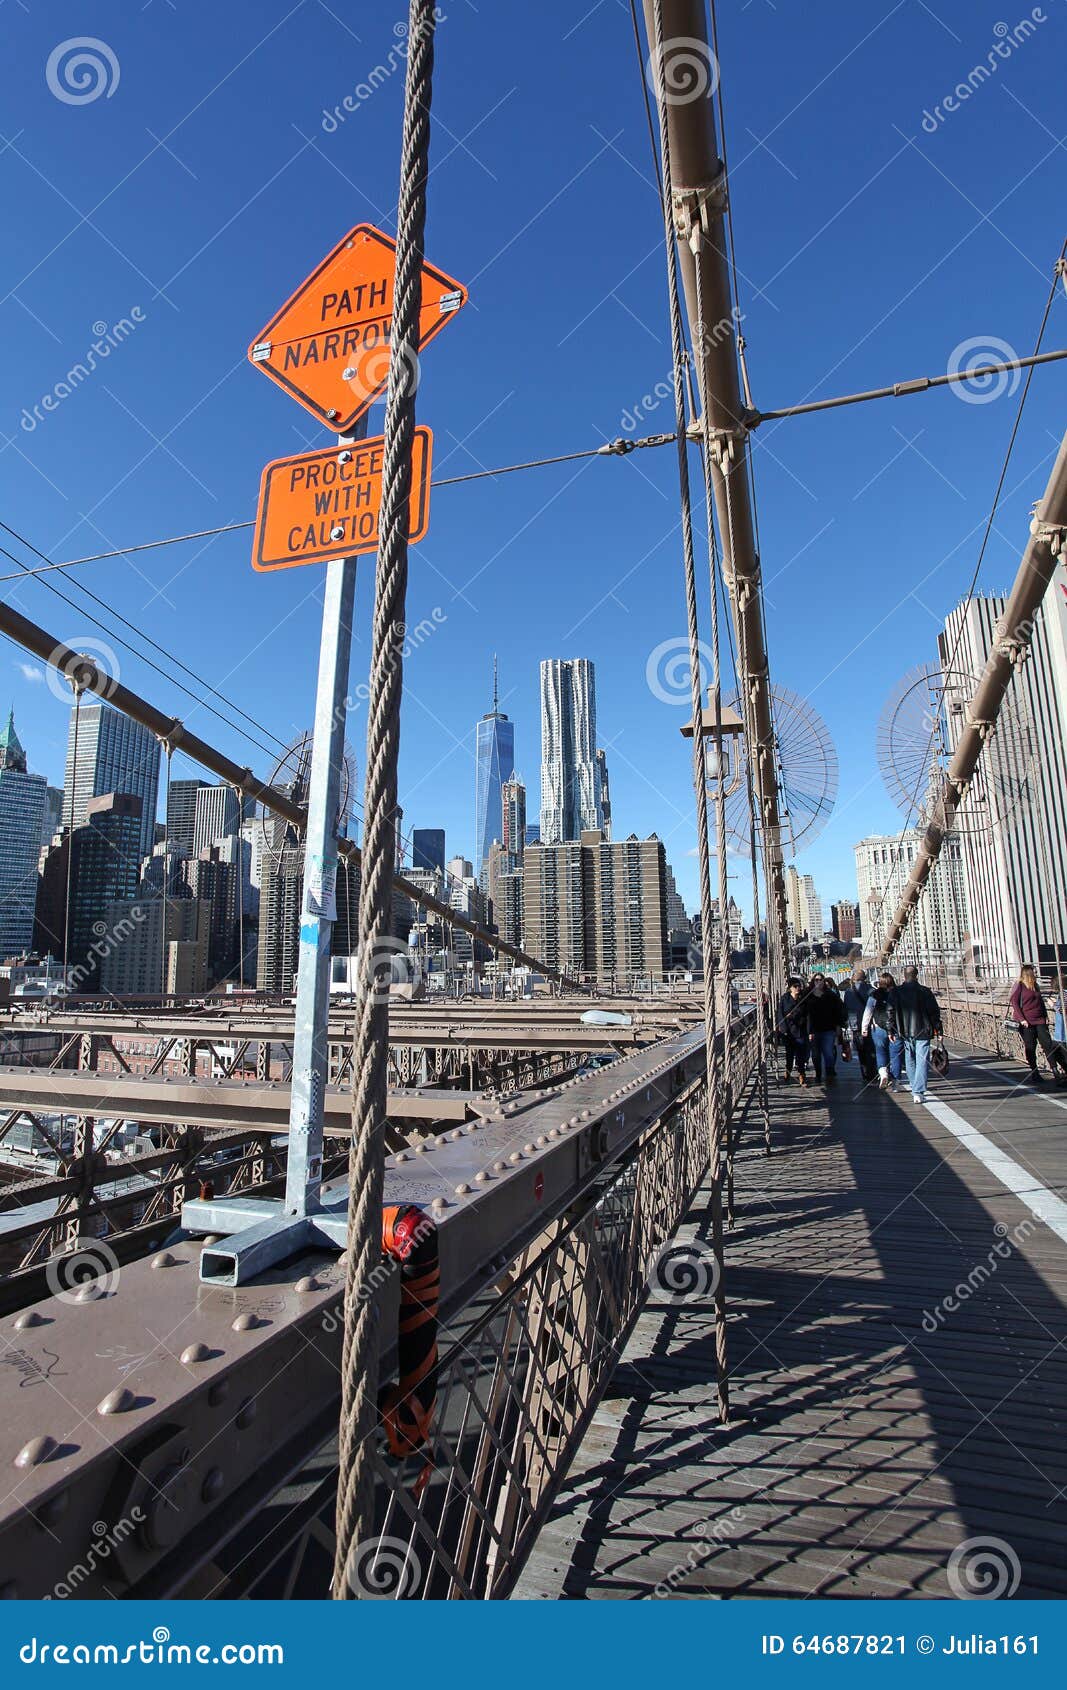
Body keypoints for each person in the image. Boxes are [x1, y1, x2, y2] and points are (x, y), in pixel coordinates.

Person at [887, 966, 942, 1104]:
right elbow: (934, 1012)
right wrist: (938, 1029)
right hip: (923, 1030)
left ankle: (914, 1088)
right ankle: (918, 1091)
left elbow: (890, 1011)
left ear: (903, 976)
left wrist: (890, 1030)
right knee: (921, 1060)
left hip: (904, 1031)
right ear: (917, 975)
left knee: (910, 1059)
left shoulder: (895, 992)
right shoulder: (925, 991)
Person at [1008, 964, 1067, 1085]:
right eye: (1034, 971)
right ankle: (1034, 1072)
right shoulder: (1019, 986)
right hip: (1027, 1023)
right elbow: (1014, 1002)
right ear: (1028, 973)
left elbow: (1040, 1002)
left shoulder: (1035, 986)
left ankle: (1055, 1071)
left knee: (1048, 1045)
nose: (1036, 973)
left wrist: (1045, 1016)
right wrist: (1021, 1019)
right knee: (1031, 1047)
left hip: (1039, 1020)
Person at [862, 970, 904, 1090]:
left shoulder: (874, 995)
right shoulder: (898, 994)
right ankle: (896, 1082)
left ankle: (883, 1072)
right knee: (895, 1055)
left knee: (880, 1051)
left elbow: (868, 1011)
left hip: (878, 1027)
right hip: (896, 1028)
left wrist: (864, 1028)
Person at [803, 973, 847, 1084]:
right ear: (813, 981)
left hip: (828, 1029)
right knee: (815, 1055)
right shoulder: (807, 995)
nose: (818, 982)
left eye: (820, 980)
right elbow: (803, 1013)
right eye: (816, 980)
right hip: (813, 1030)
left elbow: (839, 1011)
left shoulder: (831, 996)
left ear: (824, 981)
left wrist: (838, 1026)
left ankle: (829, 1073)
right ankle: (818, 1074)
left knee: (828, 1053)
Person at [843, 967, 876, 1083]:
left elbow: (846, 1008)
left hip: (855, 1025)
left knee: (861, 1050)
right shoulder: (871, 990)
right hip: (870, 1025)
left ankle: (865, 1073)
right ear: (865, 978)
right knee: (871, 1049)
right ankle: (873, 1072)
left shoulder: (848, 992)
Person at [776, 977, 809, 1086]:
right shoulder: (784, 999)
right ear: (790, 988)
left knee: (801, 1054)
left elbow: (807, 1015)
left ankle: (802, 1075)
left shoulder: (803, 998)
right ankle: (788, 1072)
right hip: (789, 1031)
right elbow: (780, 1014)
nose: (798, 988)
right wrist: (783, 1029)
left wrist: (810, 1031)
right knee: (789, 1054)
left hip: (800, 1030)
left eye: (799, 986)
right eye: (795, 986)